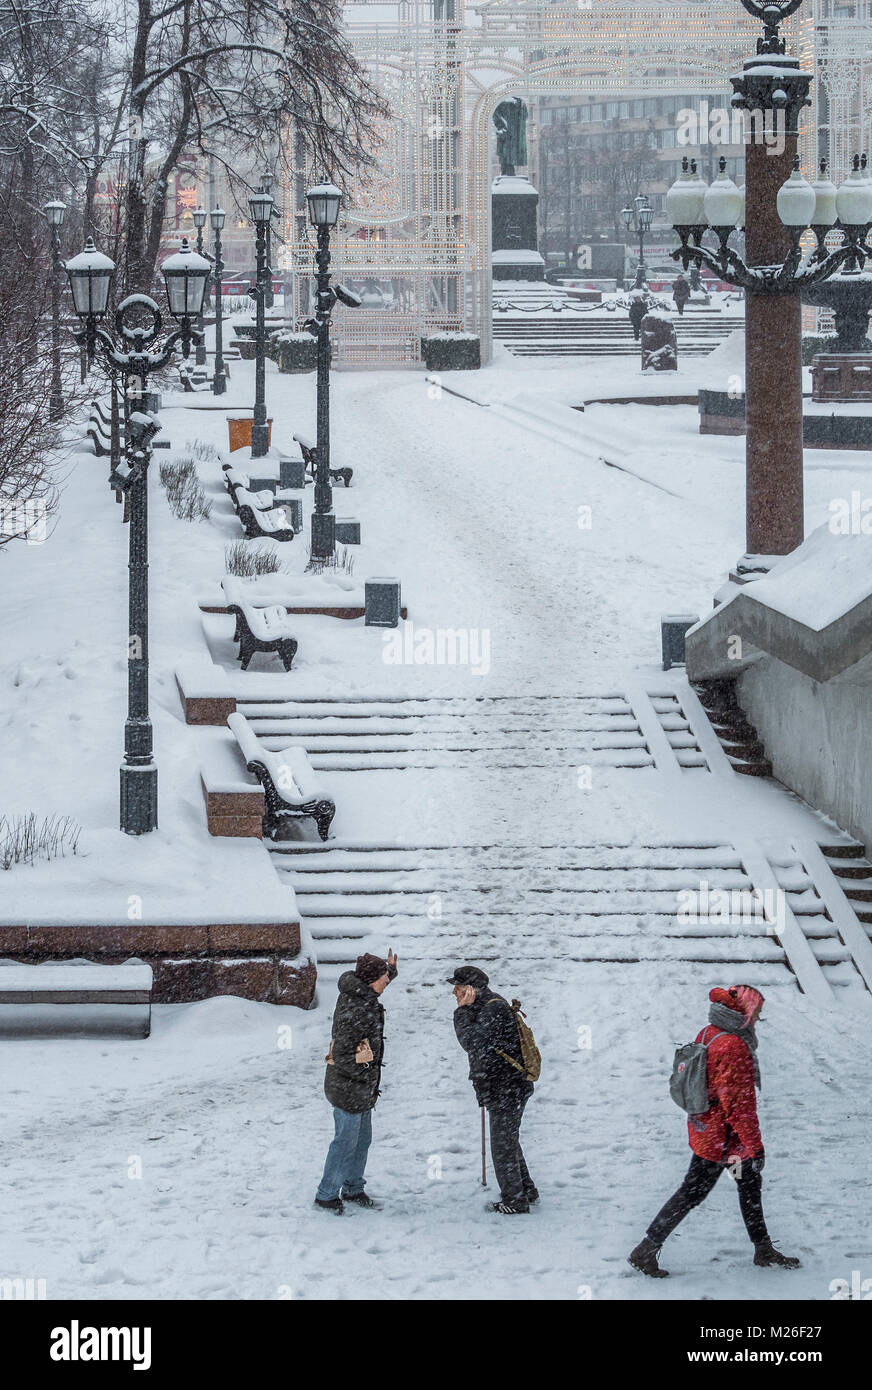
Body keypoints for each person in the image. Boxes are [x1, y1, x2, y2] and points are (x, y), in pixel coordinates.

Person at [628, 985, 801, 1276]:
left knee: (748, 1187)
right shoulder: (733, 1047)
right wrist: (755, 1148)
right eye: (756, 1012)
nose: (758, 1018)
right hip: (723, 1139)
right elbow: (739, 1106)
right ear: (743, 1013)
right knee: (691, 1192)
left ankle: (763, 1248)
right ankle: (645, 1249)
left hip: (711, 1128)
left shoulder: (711, 1031)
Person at [448, 965, 537, 1215]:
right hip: (505, 1086)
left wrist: (461, 1012)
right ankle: (526, 1189)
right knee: (508, 1141)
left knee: (503, 1145)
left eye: (457, 987)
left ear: (471, 989)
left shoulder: (492, 1009)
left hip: (507, 1088)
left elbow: (472, 1043)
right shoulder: (485, 1006)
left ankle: (515, 1200)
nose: (454, 992)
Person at [314, 951, 398, 1214]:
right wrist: (366, 1074)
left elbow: (376, 983)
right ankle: (326, 1195)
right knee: (345, 1142)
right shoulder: (355, 1009)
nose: (386, 983)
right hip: (348, 1088)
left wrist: (390, 971)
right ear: (371, 980)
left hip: (360, 1088)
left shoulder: (363, 992)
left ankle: (352, 1187)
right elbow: (340, 1056)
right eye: (384, 979)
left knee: (362, 1140)